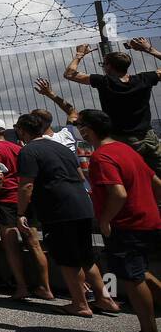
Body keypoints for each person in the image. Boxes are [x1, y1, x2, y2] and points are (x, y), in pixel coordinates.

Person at [14, 112, 119, 318]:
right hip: (81, 204)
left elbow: (26, 185)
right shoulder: (61, 147)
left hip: (58, 208)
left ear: (23, 131)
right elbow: (80, 175)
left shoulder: (29, 151)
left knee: (67, 259)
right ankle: (105, 298)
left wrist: (20, 213)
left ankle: (79, 303)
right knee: (86, 256)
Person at [77, 108, 161, 332]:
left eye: (80, 125)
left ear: (87, 130)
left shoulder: (102, 157)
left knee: (132, 279)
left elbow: (118, 193)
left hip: (126, 224)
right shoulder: (126, 149)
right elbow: (156, 183)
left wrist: (105, 219)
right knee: (140, 272)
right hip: (148, 219)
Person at [65, 38, 161, 174]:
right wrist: (147, 49)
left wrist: (79, 55)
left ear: (109, 66)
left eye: (103, 64)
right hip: (147, 137)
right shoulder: (145, 79)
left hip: (121, 139)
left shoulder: (104, 82)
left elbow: (69, 73)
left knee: (130, 176)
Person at [0, 117, 53, 301]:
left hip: (7, 199)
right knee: (34, 243)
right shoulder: (18, 147)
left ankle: (21, 287)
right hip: (25, 198)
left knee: (11, 245)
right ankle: (45, 287)